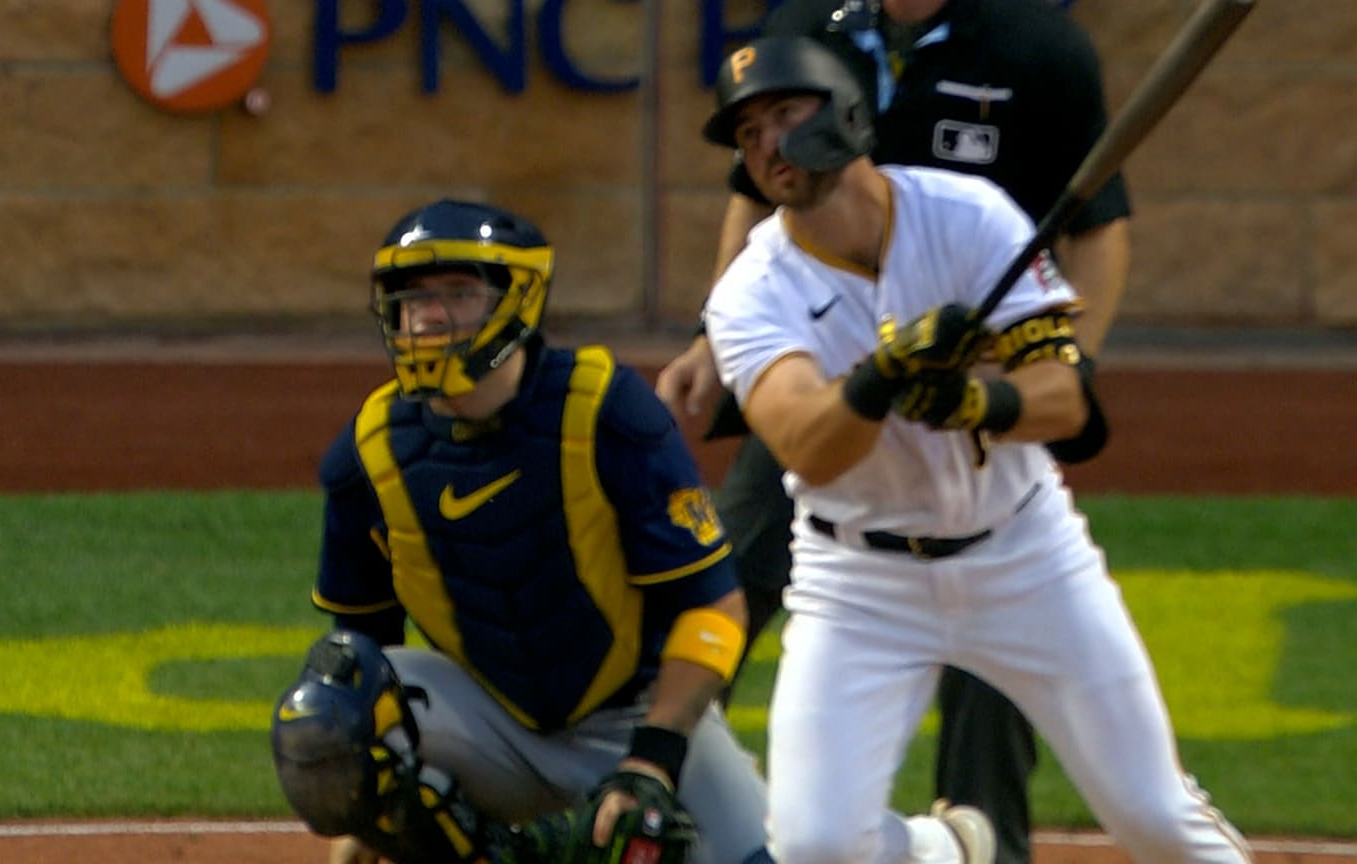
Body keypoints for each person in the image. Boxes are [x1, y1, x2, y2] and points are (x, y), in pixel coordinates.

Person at [698, 35, 1252, 864]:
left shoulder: (970, 215)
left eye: (785, 113)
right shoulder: (751, 290)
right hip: (860, 586)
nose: (769, 143)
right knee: (815, 846)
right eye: (748, 133)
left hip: (1024, 558)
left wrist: (974, 399)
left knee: (1152, 814)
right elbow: (809, 447)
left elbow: (1066, 401)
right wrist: (884, 374)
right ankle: (942, 851)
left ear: (847, 115)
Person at [268, 199, 777, 864]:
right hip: (489, 717)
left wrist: (653, 759)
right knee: (327, 708)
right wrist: (370, 818)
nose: (430, 314)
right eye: (414, 295)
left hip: (636, 715)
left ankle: (941, 846)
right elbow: (361, 647)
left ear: (518, 299)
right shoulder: (367, 453)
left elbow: (714, 604)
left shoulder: (605, 410)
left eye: (459, 292)